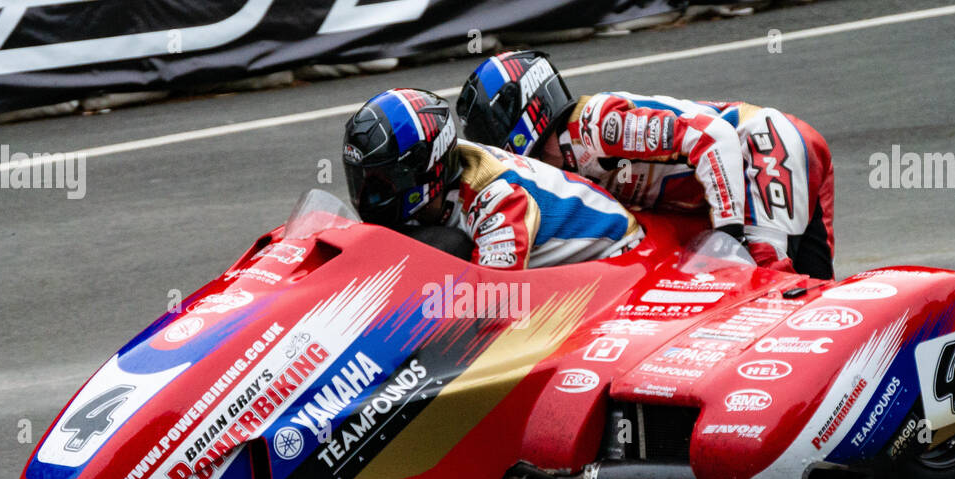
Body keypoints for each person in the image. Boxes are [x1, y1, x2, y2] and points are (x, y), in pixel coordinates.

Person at [457, 50, 835, 278]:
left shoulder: (595, 126)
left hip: (766, 148)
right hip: (737, 184)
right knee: (814, 288)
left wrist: (731, 235)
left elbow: (713, 138)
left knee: (768, 278)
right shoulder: (557, 172)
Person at [342, 87, 643, 269]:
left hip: (614, 259)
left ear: (424, 169)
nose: (367, 194)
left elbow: (496, 301)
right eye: (362, 179)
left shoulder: (497, 199)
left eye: (382, 181)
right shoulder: (437, 187)